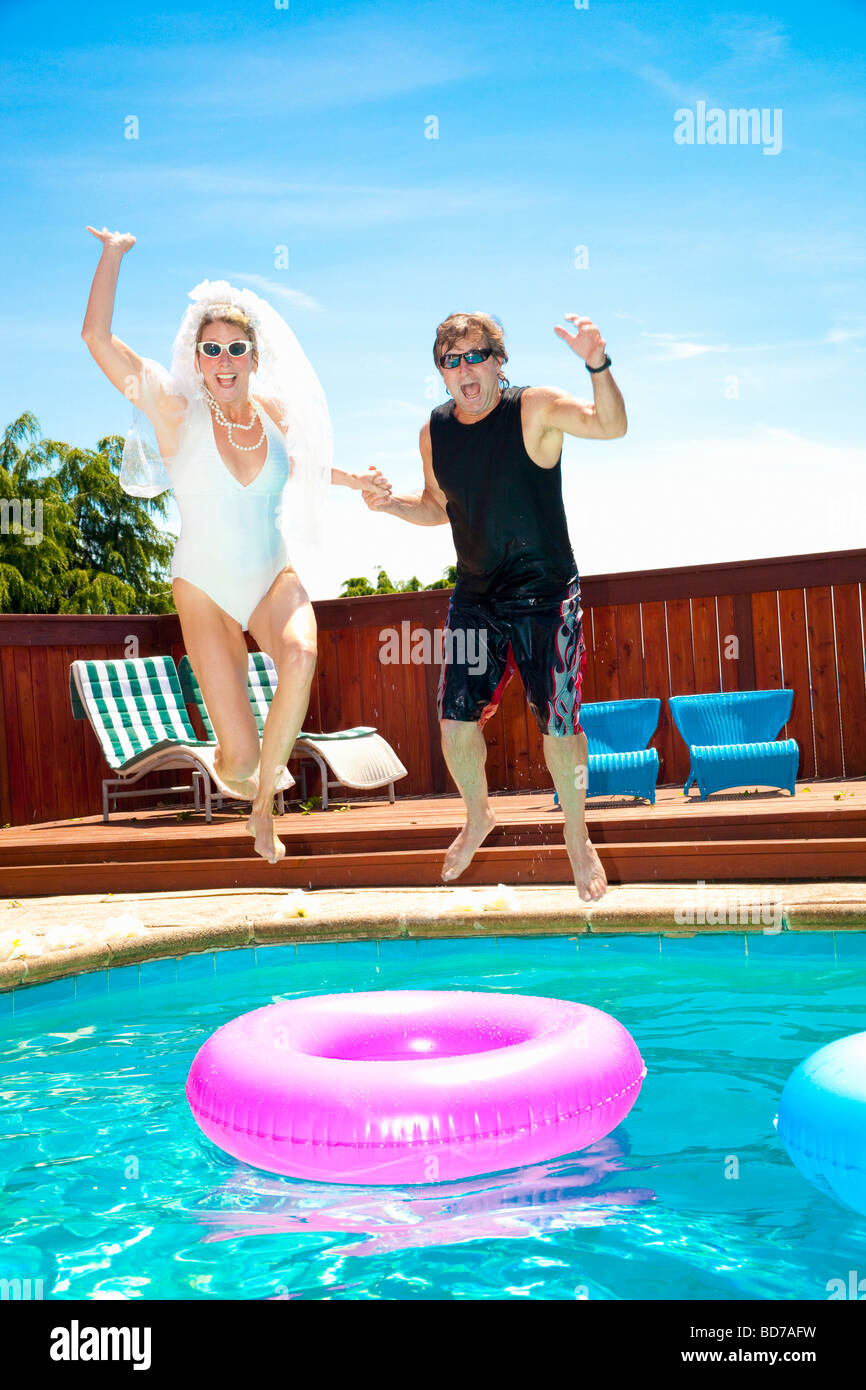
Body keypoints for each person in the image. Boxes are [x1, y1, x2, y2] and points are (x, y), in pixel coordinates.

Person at [81, 227, 390, 863]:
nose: (223, 361)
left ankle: (263, 814)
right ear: (197, 358)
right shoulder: (174, 410)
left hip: (272, 576)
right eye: (212, 349)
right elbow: (97, 340)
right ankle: (240, 768)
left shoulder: (275, 411)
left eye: (235, 349)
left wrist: (353, 479)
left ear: (253, 355)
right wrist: (112, 256)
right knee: (244, 760)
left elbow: (304, 463)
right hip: (205, 588)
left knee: (301, 656)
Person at [365, 311, 627, 902]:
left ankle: (578, 836)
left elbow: (611, 426)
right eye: (451, 361)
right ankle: (479, 814)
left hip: (546, 593)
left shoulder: (532, 408)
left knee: (557, 721)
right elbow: (437, 506)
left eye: (476, 356)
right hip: (476, 596)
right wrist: (390, 505)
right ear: (441, 371)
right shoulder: (434, 431)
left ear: (498, 361)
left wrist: (597, 365)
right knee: (455, 722)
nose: (465, 370)